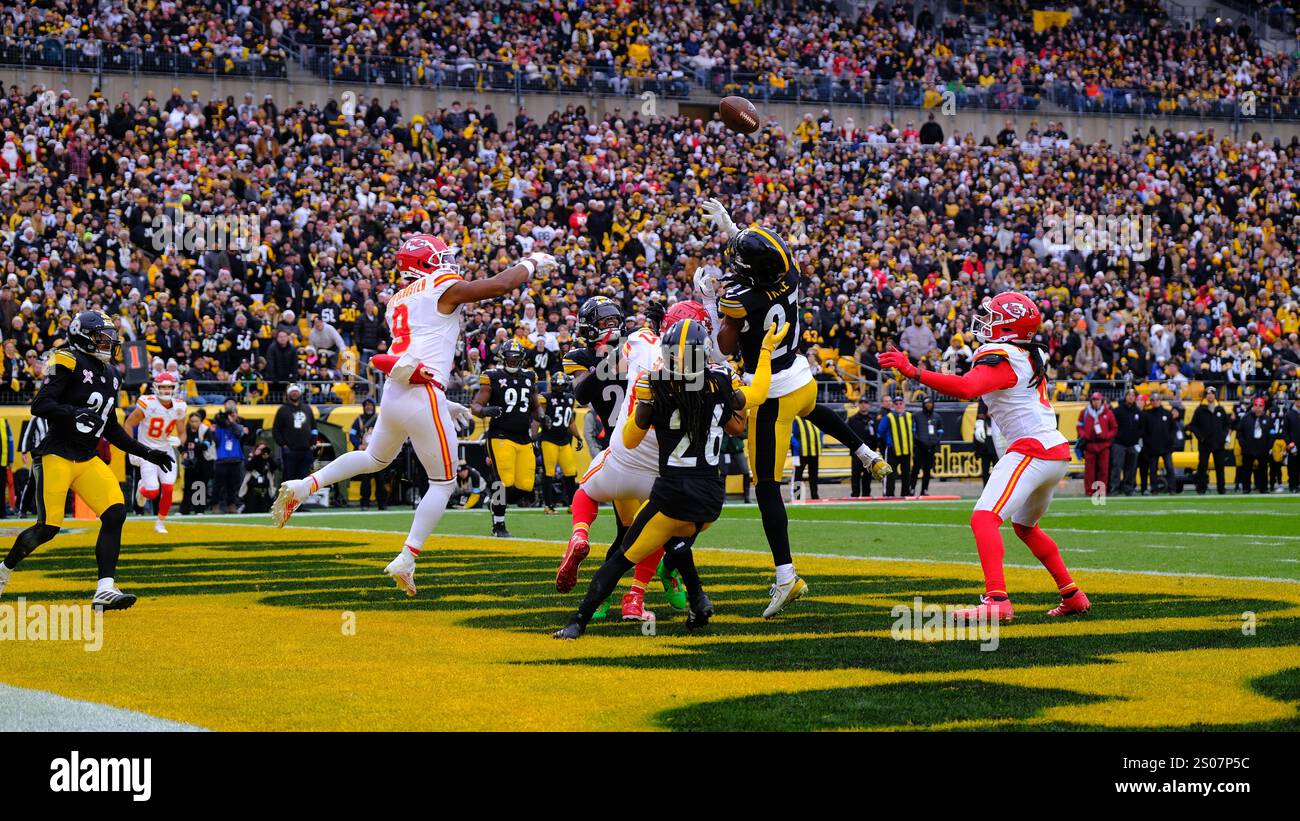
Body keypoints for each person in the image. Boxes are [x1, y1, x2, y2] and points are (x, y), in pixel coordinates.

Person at [272, 234, 539, 596]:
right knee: (443, 483)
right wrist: (533, 263)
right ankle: (408, 557)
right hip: (422, 390)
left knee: (373, 457)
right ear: (426, 262)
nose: (449, 262)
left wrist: (444, 402)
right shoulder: (440, 285)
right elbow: (501, 285)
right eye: (441, 256)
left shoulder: (397, 298)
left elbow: (416, 349)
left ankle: (306, 485)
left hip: (399, 390)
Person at [553, 318, 789, 639]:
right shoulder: (719, 379)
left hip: (672, 495)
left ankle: (578, 621)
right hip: (710, 500)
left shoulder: (655, 384)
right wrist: (765, 350)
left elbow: (631, 439)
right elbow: (758, 393)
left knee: (621, 558)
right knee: (678, 544)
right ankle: (697, 598)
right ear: (703, 351)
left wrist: (642, 405)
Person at [879, 293, 1089, 622]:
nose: (985, 323)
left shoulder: (1003, 356)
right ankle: (1072, 594)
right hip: (1053, 450)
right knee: (1025, 527)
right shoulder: (1027, 354)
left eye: (993, 317)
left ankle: (997, 600)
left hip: (1031, 448)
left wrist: (912, 371)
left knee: (983, 518)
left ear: (1008, 327)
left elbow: (966, 388)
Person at [0, 310, 174, 610]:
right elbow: (40, 405)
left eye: (109, 337)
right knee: (48, 528)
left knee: (115, 512)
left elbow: (111, 427)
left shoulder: (112, 375)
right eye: (100, 336)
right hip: (56, 453)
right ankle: (4, 571)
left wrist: (148, 452)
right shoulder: (65, 359)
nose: (107, 342)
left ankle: (105, 589)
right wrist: (72, 412)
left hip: (86, 456)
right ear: (82, 335)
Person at [472, 338, 541, 537]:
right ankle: (499, 525)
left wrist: (543, 417)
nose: (512, 361)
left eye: (516, 358)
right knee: (504, 481)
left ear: (522, 359)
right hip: (500, 435)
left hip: (523, 436)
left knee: (525, 486)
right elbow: (475, 406)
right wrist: (486, 410)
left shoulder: (530, 377)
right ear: (503, 358)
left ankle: (493, 499)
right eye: (509, 358)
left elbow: (535, 407)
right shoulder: (492, 376)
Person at [125, 370, 187, 533]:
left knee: (167, 489)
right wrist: (132, 449)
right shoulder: (147, 402)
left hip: (166, 450)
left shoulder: (180, 406)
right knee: (152, 492)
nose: (166, 391)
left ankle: (160, 523)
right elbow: (129, 424)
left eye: (170, 387)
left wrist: (180, 441)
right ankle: (142, 488)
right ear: (156, 388)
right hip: (147, 451)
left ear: (175, 388)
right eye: (163, 387)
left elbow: (182, 432)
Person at [537, 370, 582, 513]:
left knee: (570, 473)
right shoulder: (545, 398)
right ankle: (548, 505)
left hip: (564, 441)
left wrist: (578, 436)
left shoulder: (570, 398)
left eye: (563, 385)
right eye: (558, 385)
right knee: (549, 473)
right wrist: (533, 436)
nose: (560, 388)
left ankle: (572, 505)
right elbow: (538, 416)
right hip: (549, 439)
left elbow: (570, 421)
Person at [1188, 386, 1230, 494]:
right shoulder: (1200, 410)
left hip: (1218, 443)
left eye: (1212, 393)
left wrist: (1223, 436)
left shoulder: (1220, 409)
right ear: (1205, 396)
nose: (1210, 395)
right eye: (1208, 393)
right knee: (1202, 467)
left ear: (1215, 395)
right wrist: (1201, 438)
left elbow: (1227, 425)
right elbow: (1193, 425)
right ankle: (1201, 488)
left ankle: (1221, 489)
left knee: (1220, 467)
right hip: (1205, 444)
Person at [1076, 391, 1117, 496]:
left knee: (1103, 470)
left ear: (1101, 401)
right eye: (1094, 400)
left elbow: (1114, 428)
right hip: (1090, 445)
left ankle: (1101, 491)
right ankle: (1089, 492)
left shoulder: (1108, 412)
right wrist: (1083, 435)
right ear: (1091, 401)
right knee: (1089, 471)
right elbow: (1079, 426)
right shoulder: (1085, 412)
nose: (1096, 402)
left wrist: (1106, 436)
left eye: (1097, 400)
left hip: (1103, 445)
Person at [273, 383, 317, 483]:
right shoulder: (282, 410)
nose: (294, 394)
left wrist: (313, 442)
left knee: (304, 478)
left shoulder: (307, 409)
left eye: (296, 392)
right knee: (289, 478)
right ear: (288, 394)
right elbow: (276, 430)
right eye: (292, 392)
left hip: (306, 450)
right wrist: (283, 445)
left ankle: (302, 499)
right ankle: (289, 499)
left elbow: (314, 427)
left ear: (300, 393)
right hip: (290, 451)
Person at [211, 400, 247, 513]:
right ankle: (215, 504)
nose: (232, 416)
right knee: (218, 485)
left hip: (235, 459)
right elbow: (215, 438)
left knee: (233, 485)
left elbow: (238, 434)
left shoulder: (239, 426)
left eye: (234, 414)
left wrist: (231, 422)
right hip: (222, 459)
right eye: (230, 414)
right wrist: (223, 420)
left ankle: (232, 504)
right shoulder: (220, 428)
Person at [878, 394, 916, 496]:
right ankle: (889, 493)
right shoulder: (889, 417)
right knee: (890, 474)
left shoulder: (909, 416)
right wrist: (889, 441)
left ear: (904, 405)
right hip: (892, 450)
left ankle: (905, 493)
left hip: (906, 449)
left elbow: (914, 430)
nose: (899, 405)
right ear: (893, 406)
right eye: (896, 404)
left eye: (900, 403)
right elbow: (880, 431)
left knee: (906, 474)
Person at [180, 410, 216, 514]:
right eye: (192, 421)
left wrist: (196, 446)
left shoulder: (205, 430)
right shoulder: (185, 430)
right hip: (190, 462)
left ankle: (199, 510)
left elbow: (207, 445)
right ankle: (184, 510)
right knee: (187, 486)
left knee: (200, 485)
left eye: (196, 421)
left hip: (204, 461)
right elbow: (179, 443)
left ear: (200, 421)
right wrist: (183, 452)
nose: (194, 423)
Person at [1110, 389, 1143, 495]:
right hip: (1119, 444)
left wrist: (1137, 439)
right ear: (1125, 396)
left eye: (1133, 396)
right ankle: (1114, 488)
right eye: (1129, 395)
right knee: (1117, 468)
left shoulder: (1138, 412)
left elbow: (1141, 427)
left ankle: (1128, 489)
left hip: (1133, 444)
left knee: (1131, 469)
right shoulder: (1118, 410)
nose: (1131, 397)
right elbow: (1112, 426)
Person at [1236, 396, 1272, 493]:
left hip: (1263, 449)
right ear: (1253, 406)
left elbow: (1272, 434)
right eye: (1256, 405)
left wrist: (1268, 447)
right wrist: (1243, 444)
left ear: (1263, 407)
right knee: (1246, 470)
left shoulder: (1268, 419)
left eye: (1260, 406)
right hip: (1248, 449)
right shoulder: (1246, 418)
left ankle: (1263, 488)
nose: (1258, 408)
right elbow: (1239, 432)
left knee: (1263, 470)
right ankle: (1246, 488)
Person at [1142, 393, 1177, 494]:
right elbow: (1144, 431)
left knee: (1170, 468)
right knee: (1152, 470)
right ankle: (1154, 489)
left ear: (1160, 401)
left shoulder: (1167, 413)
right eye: (1153, 400)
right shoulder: (1147, 414)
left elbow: (1173, 429)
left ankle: (1172, 489)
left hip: (1166, 447)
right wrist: (1148, 443)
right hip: (1152, 448)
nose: (1155, 401)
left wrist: (1170, 440)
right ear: (1151, 402)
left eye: (1157, 399)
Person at [349, 398, 380, 508]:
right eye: (366, 405)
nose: (368, 407)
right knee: (365, 480)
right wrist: (358, 445)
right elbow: (352, 434)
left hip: (379, 452)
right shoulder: (359, 420)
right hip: (365, 453)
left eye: (370, 405)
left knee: (380, 479)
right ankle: (365, 503)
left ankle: (382, 504)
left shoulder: (380, 419)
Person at [847, 398, 880, 497]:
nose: (863, 405)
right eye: (861, 403)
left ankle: (867, 495)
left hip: (869, 454)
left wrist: (874, 450)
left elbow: (876, 436)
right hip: (857, 453)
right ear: (858, 405)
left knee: (867, 476)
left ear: (869, 405)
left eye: (866, 403)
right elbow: (847, 436)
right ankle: (855, 495)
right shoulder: (852, 420)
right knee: (855, 475)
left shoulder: (872, 419)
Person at [914, 396, 944, 496]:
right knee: (916, 469)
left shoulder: (937, 416)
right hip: (919, 447)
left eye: (930, 403)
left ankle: (924, 490)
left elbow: (940, 432)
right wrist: (921, 443)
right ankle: (912, 488)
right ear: (923, 404)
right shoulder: (917, 416)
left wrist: (934, 443)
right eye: (926, 403)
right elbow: (913, 432)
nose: (928, 405)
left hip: (931, 448)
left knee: (927, 470)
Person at [239, 441, 277, 513]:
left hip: (265, 492)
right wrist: (256, 456)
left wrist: (268, 457)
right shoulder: (252, 458)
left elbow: (275, 467)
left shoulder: (268, 460)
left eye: (263, 449)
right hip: (252, 492)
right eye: (260, 449)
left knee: (264, 511)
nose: (262, 451)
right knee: (251, 510)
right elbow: (248, 467)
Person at [790, 416, 822, 500]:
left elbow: (820, 432)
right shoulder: (796, 419)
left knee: (814, 476)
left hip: (814, 453)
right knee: (797, 477)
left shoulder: (813, 418)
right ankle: (797, 497)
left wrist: (820, 445)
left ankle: (814, 496)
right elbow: (790, 435)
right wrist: (798, 446)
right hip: (800, 454)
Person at [1284, 395, 1300, 493]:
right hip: (1293, 446)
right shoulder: (1289, 414)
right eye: (1297, 400)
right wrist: (1289, 443)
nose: (1299, 402)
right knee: (1293, 467)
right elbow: (1285, 431)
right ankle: (1293, 485)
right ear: (1295, 401)